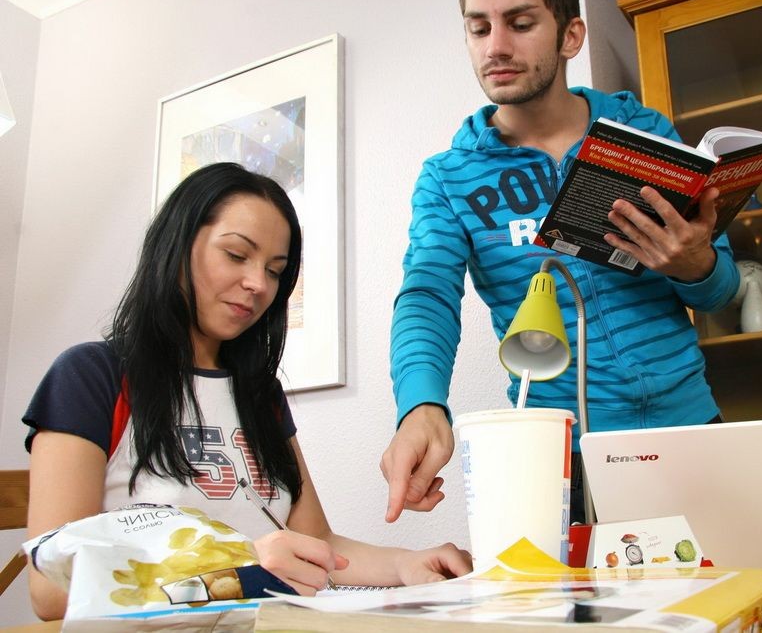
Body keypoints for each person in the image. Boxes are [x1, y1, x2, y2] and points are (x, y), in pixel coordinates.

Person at [23, 162, 472, 621]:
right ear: (177, 246)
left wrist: (407, 563)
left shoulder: (260, 393)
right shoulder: (91, 376)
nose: (259, 284)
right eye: (237, 255)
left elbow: (317, 545)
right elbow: (52, 590)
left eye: (275, 271)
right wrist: (240, 571)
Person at [381, 0, 739, 525]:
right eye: (479, 29)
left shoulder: (645, 133)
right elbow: (427, 295)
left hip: (689, 433)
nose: (496, 47)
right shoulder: (447, 177)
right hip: (559, 460)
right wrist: (421, 404)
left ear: (571, 35)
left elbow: (723, 291)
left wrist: (692, 264)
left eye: (520, 23)